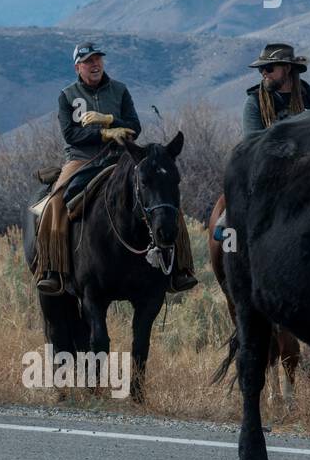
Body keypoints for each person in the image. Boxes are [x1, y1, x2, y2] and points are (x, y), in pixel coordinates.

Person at [35, 41, 197, 295]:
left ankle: (180, 268)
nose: (95, 64)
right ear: (78, 67)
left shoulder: (120, 91)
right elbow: (70, 135)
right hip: (81, 160)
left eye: (98, 59)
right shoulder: (67, 95)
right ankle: (52, 269)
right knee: (56, 201)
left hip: (122, 159)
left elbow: (135, 126)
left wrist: (111, 119)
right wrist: (104, 134)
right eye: (88, 61)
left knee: (163, 196)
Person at [243, 43, 310, 138]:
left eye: (269, 68)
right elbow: (252, 145)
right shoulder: (256, 102)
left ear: (287, 68)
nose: (264, 73)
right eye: (261, 69)